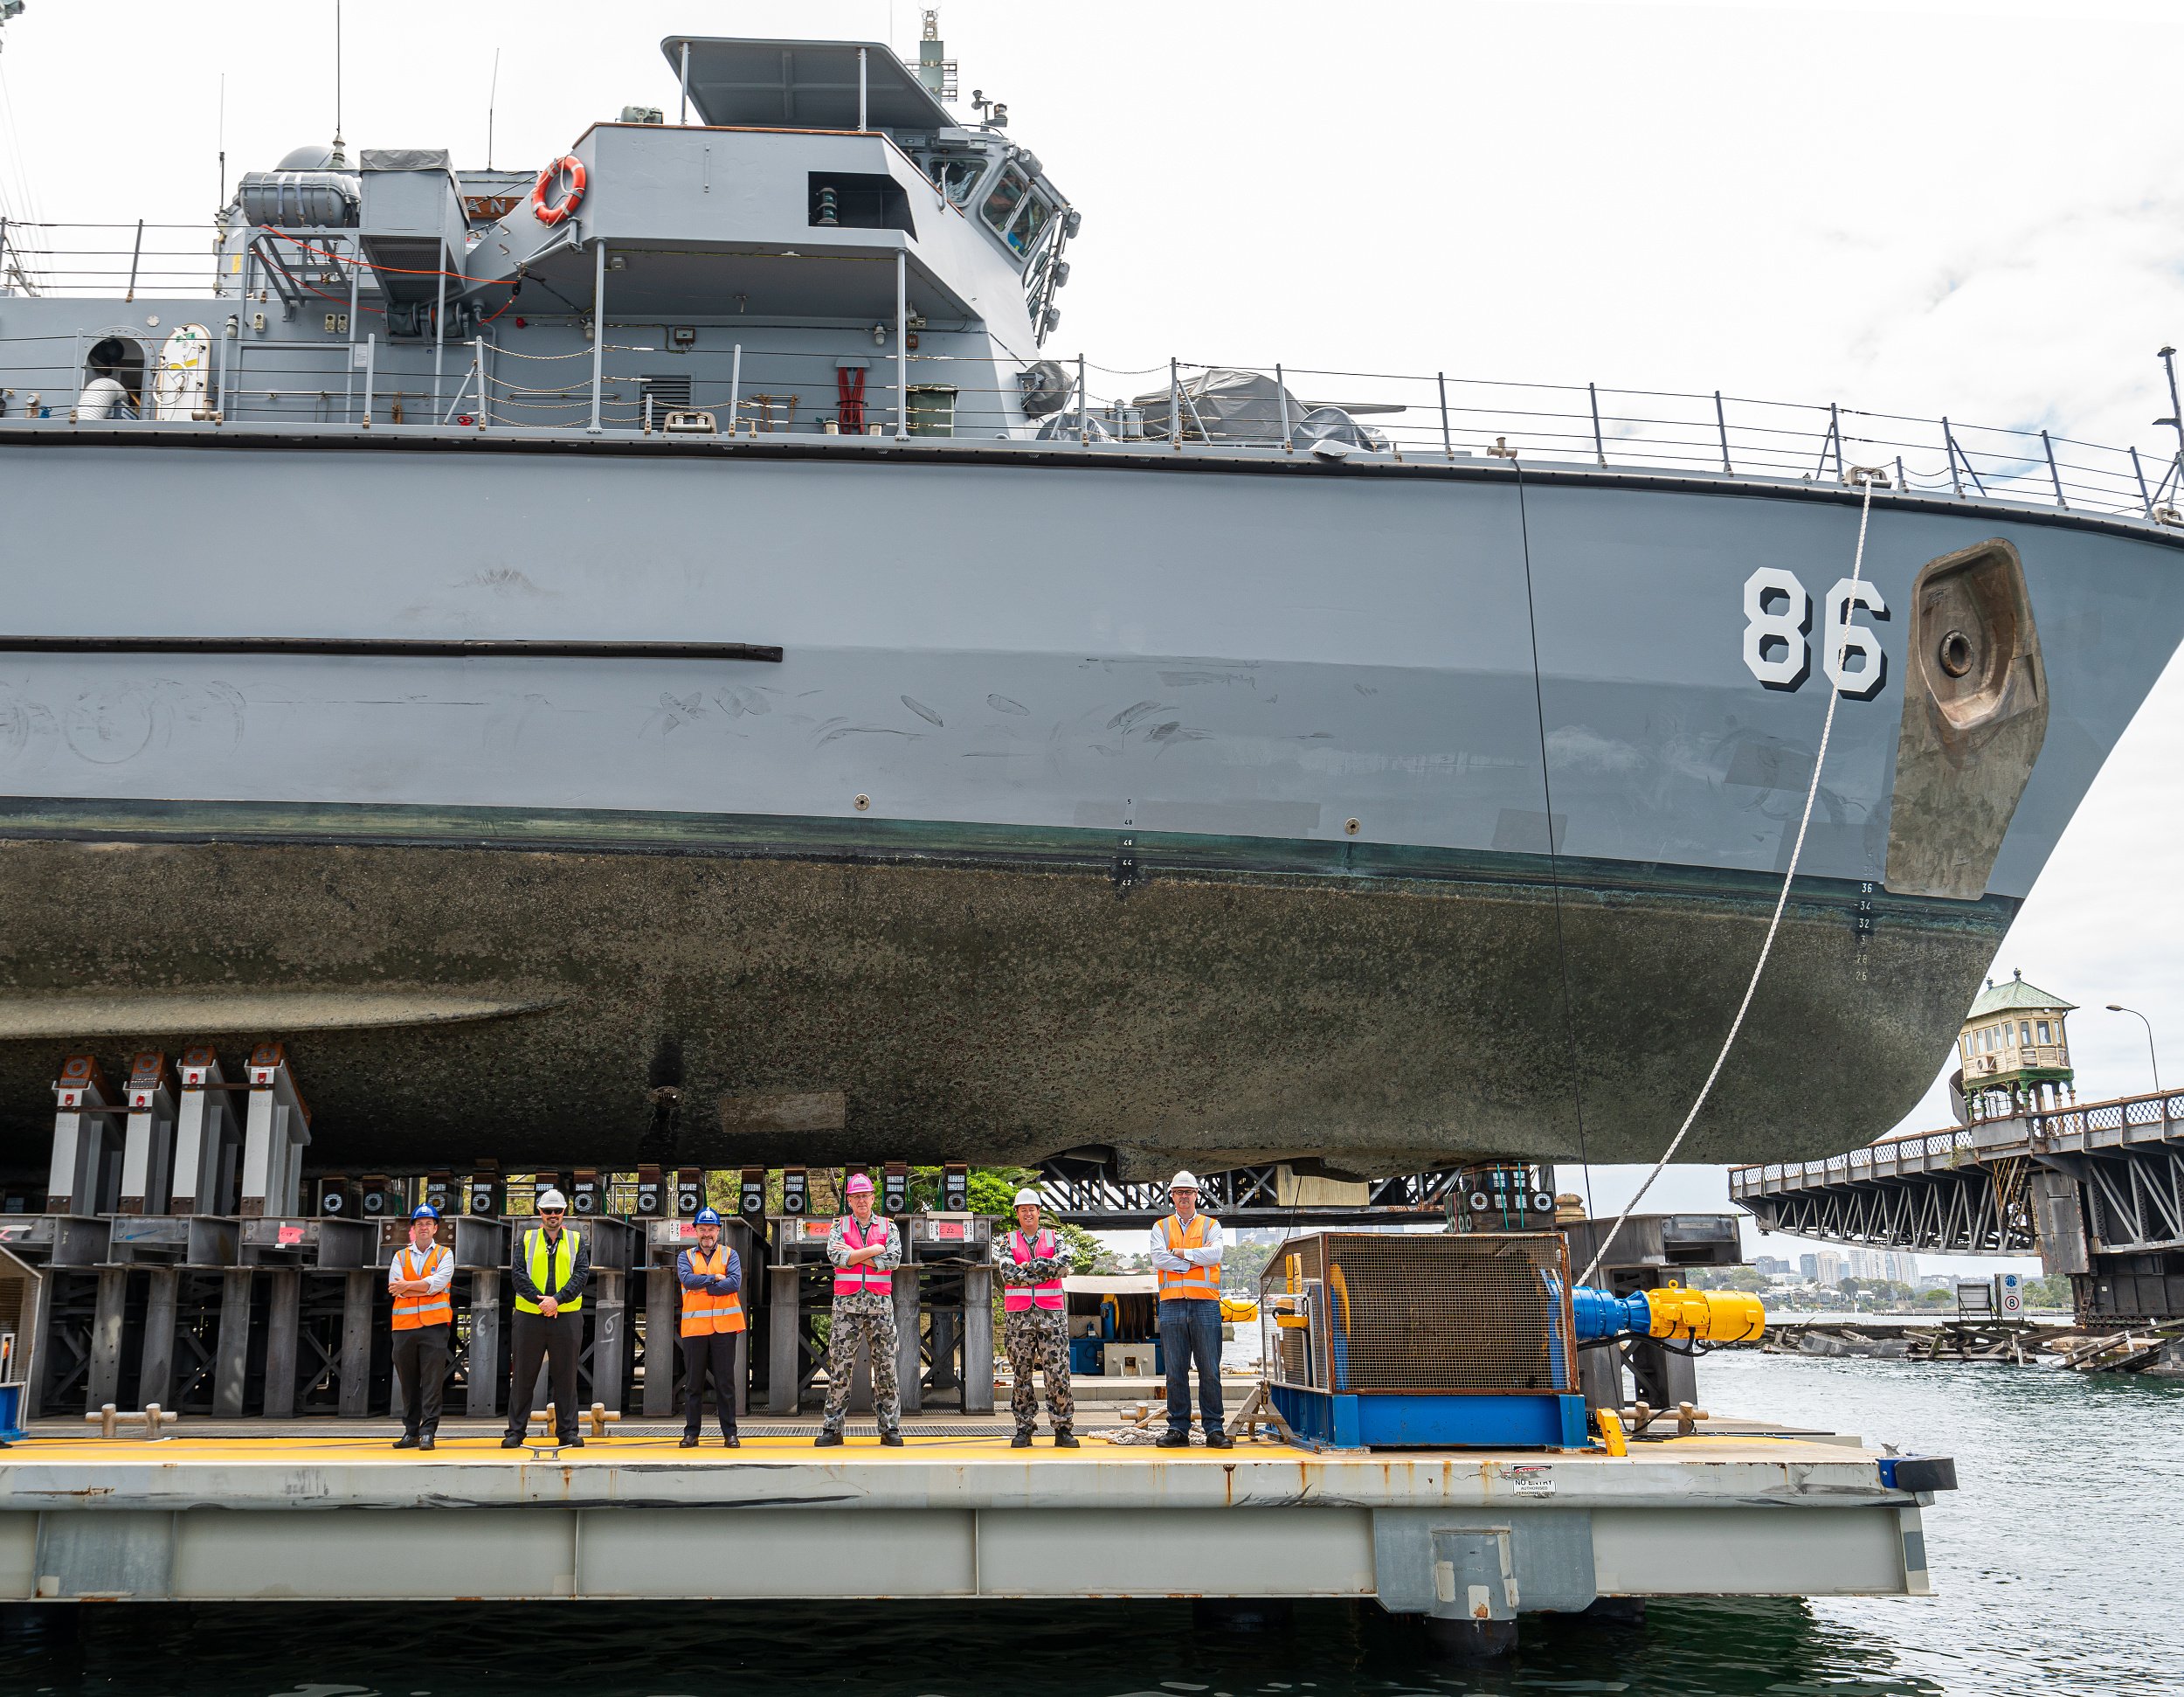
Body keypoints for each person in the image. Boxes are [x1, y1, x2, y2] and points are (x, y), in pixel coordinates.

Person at [815, 1173, 902, 1448]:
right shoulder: (838, 1227)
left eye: (866, 1195)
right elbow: (836, 1258)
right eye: (856, 1196)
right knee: (840, 1367)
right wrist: (874, 1251)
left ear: (873, 1197)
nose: (861, 1200)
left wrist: (855, 1256)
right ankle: (832, 1428)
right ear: (849, 1200)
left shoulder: (889, 1227)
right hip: (846, 1308)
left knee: (886, 1368)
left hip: (879, 1306)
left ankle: (890, 1428)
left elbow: (894, 1260)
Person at [501, 1187, 591, 1449]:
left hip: (566, 1316)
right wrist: (540, 1301)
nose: (553, 1215)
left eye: (558, 1211)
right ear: (540, 1213)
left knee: (566, 1376)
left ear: (565, 1213)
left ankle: (568, 1431)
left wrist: (557, 1300)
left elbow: (581, 1274)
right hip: (530, 1316)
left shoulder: (575, 1240)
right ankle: (515, 1432)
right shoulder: (527, 1239)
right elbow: (517, 1274)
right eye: (548, 1211)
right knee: (523, 1377)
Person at [1151, 1170, 1231, 1449]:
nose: (1184, 1197)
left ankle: (1214, 1428)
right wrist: (1194, 1261)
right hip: (1172, 1306)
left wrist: (1179, 1253)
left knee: (1210, 1369)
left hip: (1205, 1305)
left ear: (1197, 1195)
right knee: (1175, 1371)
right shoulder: (1161, 1227)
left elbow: (1216, 1255)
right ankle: (1178, 1428)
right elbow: (1158, 1258)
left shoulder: (1211, 1225)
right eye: (1179, 1192)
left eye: (1189, 1192)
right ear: (1171, 1196)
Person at [997, 1188, 1075, 1448]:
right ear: (1017, 1214)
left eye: (1032, 1209)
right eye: (1023, 1210)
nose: (1028, 1213)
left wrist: (1028, 1269)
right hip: (1019, 1319)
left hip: (1052, 1317)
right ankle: (1024, 1428)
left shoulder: (1057, 1239)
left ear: (1039, 1212)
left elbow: (1063, 1264)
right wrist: (1046, 1269)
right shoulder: (1007, 1241)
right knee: (1021, 1374)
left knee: (1059, 1374)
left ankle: (1063, 1428)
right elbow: (1008, 1273)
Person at [388, 1203, 453, 1451]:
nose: (423, 1227)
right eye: (419, 1224)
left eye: (428, 1223)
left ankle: (428, 1432)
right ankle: (411, 1431)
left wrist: (409, 1286)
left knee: (432, 1381)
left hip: (434, 1328)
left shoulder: (445, 1254)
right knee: (408, 1381)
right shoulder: (400, 1256)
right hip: (404, 1328)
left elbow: (439, 1283)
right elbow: (395, 1287)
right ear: (413, 1229)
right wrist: (420, 1286)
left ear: (435, 1228)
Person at [677, 1205, 743, 1449]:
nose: (707, 1234)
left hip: (725, 1328)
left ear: (718, 1231)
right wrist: (715, 1279)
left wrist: (702, 1285)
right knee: (693, 1383)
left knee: (726, 1383)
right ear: (695, 1231)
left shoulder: (730, 1255)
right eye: (702, 1229)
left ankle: (730, 1434)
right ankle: (691, 1433)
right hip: (695, 1329)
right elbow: (687, 1280)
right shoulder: (685, 1256)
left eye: (711, 1229)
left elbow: (734, 1283)